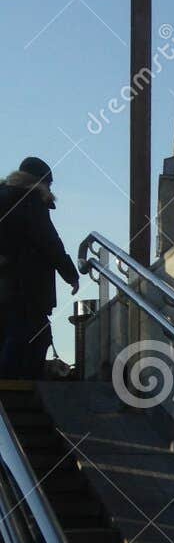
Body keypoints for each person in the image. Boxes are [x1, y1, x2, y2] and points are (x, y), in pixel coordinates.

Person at [0, 156, 80, 380]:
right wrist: (71, 274)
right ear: (43, 182)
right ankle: (18, 384)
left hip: (5, 284)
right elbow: (49, 241)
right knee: (33, 335)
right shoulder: (31, 200)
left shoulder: (4, 195)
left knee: (8, 332)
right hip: (27, 285)